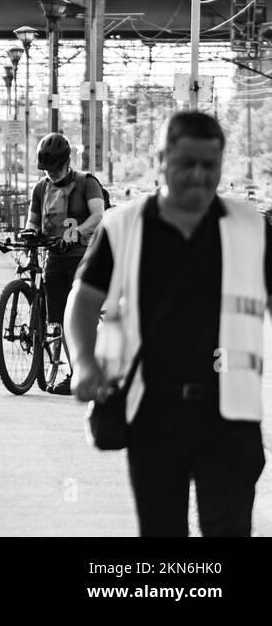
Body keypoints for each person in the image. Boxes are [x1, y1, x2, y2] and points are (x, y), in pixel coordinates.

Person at [68, 111, 272, 536]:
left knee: (229, 530)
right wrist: (84, 364)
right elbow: (83, 301)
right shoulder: (123, 226)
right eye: (186, 165)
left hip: (231, 415)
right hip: (153, 414)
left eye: (209, 166)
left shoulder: (252, 227)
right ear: (159, 160)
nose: (199, 176)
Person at [24, 131, 106, 394]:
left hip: (82, 257)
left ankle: (80, 373)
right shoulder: (40, 188)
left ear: (66, 162)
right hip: (55, 259)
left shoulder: (86, 182)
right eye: (47, 169)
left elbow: (98, 215)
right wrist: (28, 232)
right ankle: (74, 371)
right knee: (59, 319)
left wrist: (77, 232)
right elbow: (33, 221)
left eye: (56, 168)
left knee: (78, 316)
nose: (51, 174)